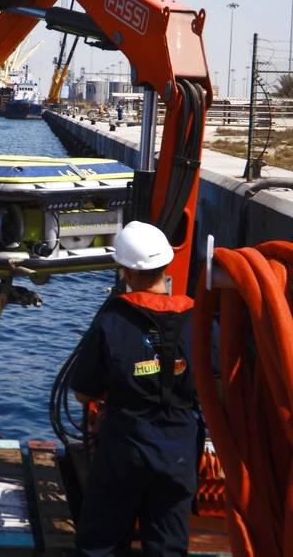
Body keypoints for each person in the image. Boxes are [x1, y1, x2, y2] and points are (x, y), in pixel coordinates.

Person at [71, 221, 200, 557]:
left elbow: (84, 392)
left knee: (102, 543)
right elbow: (216, 383)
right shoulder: (198, 320)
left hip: (125, 447)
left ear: (126, 271)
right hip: (179, 450)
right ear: (167, 264)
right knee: (169, 546)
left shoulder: (112, 321)